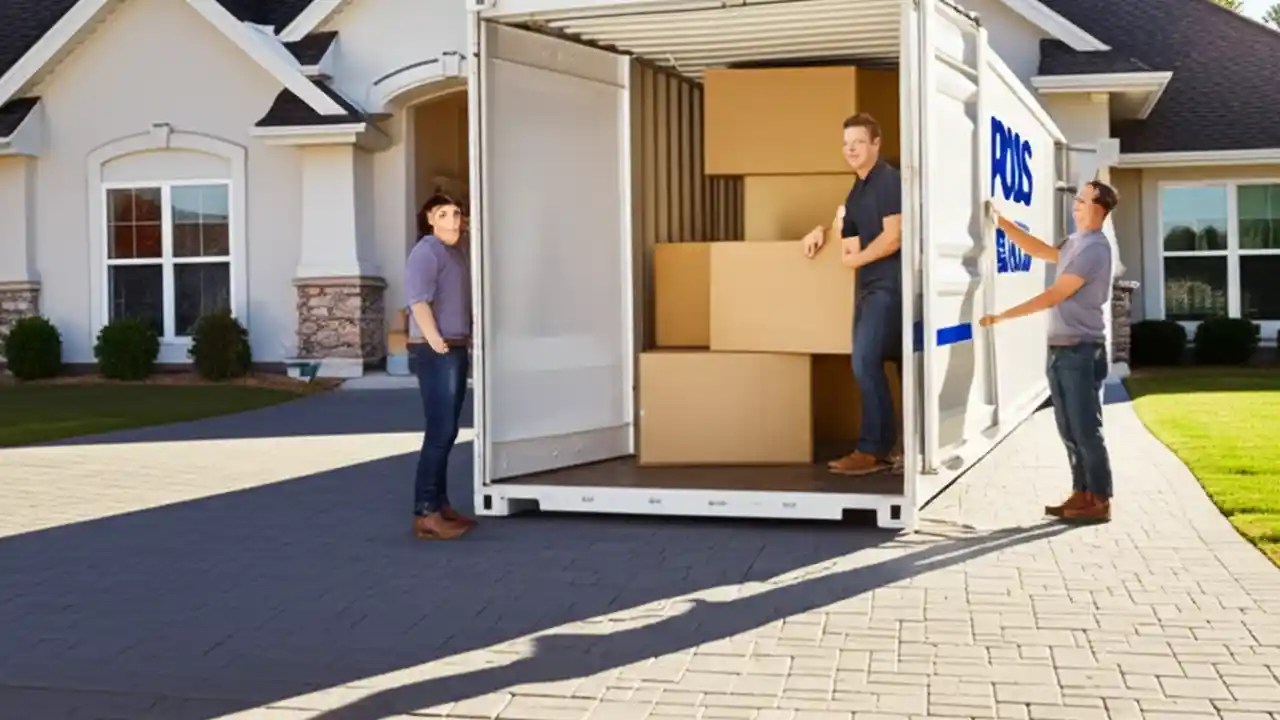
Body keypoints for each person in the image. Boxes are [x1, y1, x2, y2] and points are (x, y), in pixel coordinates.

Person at [980, 180, 1120, 523]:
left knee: (1086, 429)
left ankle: (1100, 499)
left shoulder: (1094, 250)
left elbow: (1054, 295)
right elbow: (1041, 251)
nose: (1076, 205)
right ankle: (1081, 493)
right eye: (1076, 199)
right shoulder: (1075, 242)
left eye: (1082, 200)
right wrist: (1003, 223)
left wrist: (1002, 316)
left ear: (1099, 208)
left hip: (1081, 350)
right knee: (1068, 428)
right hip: (1060, 349)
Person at [802, 113, 903, 476]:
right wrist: (821, 232)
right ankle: (890, 447)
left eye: (858, 142)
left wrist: (856, 260)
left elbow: (894, 236)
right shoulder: (858, 188)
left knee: (865, 361)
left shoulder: (887, 180)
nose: (851, 150)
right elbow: (846, 227)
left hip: (888, 287)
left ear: (876, 143)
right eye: (846, 144)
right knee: (873, 362)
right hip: (868, 287)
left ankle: (873, 450)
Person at [404, 193, 476, 540]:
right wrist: (435, 341)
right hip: (438, 351)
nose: (453, 220)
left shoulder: (456, 252)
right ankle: (425, 513)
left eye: (457, 214)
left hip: (455, 347)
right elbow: (417, 301)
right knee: (440, 431)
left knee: (448, 431)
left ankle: (441, 504)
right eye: (443, 214)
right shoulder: (427, 251)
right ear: (430, 218)